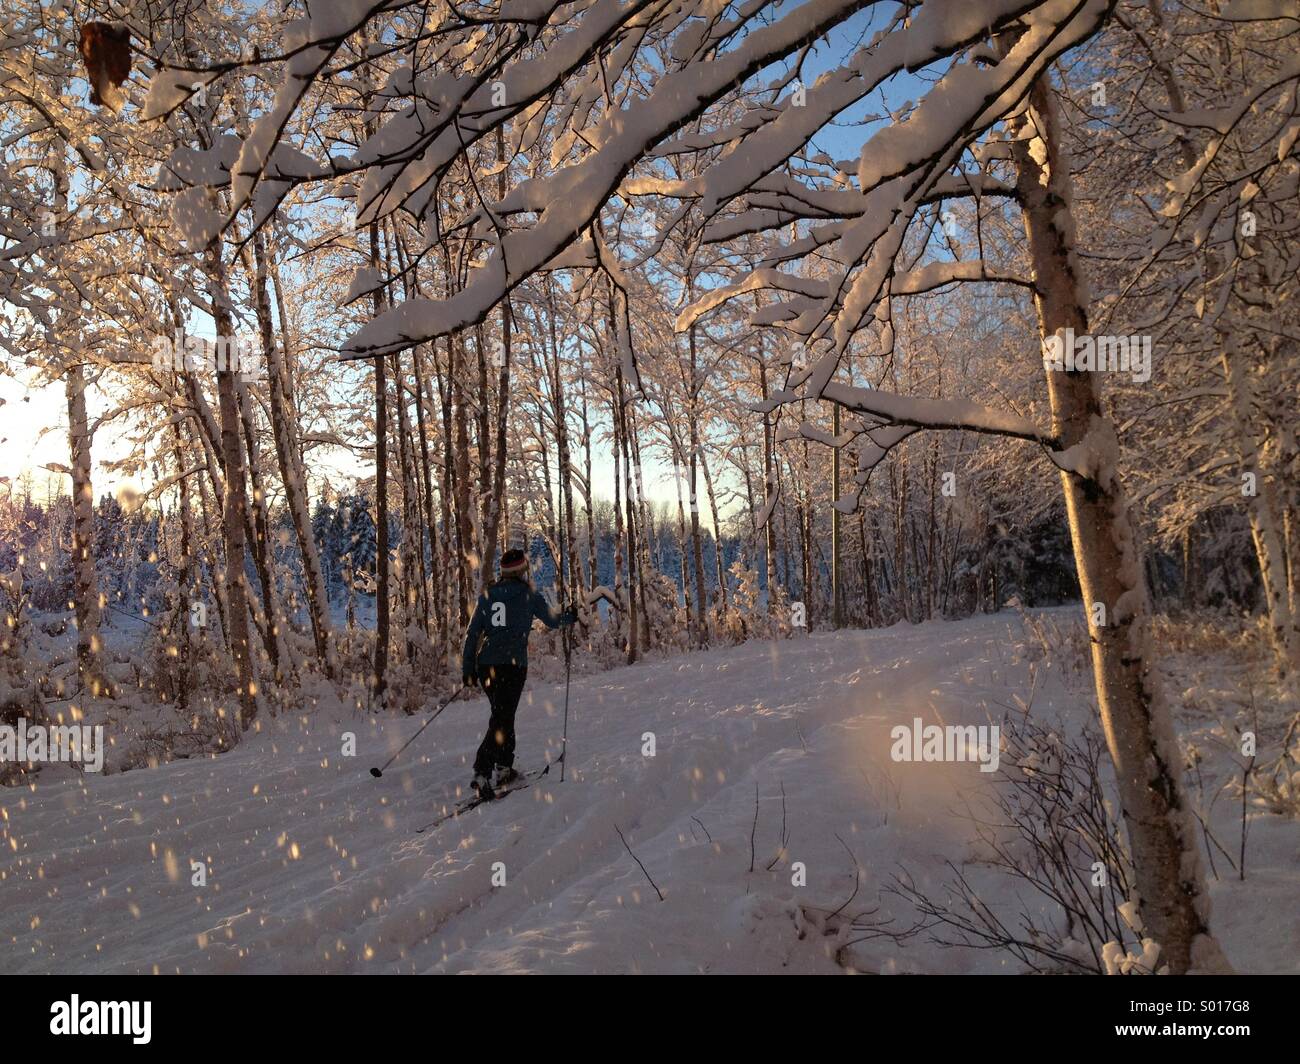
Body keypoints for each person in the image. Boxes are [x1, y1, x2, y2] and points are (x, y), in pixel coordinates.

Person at [461, 547, 580, 798]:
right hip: (513, 666)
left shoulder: (488, 594)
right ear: (522, 571)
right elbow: (552, 620)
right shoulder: (529, 595)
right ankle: (482, 771)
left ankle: (504, 767)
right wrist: (570, 616)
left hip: (487, 666)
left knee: (503, 714)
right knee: (502, 718)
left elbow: (472, 635)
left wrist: (468, 669)